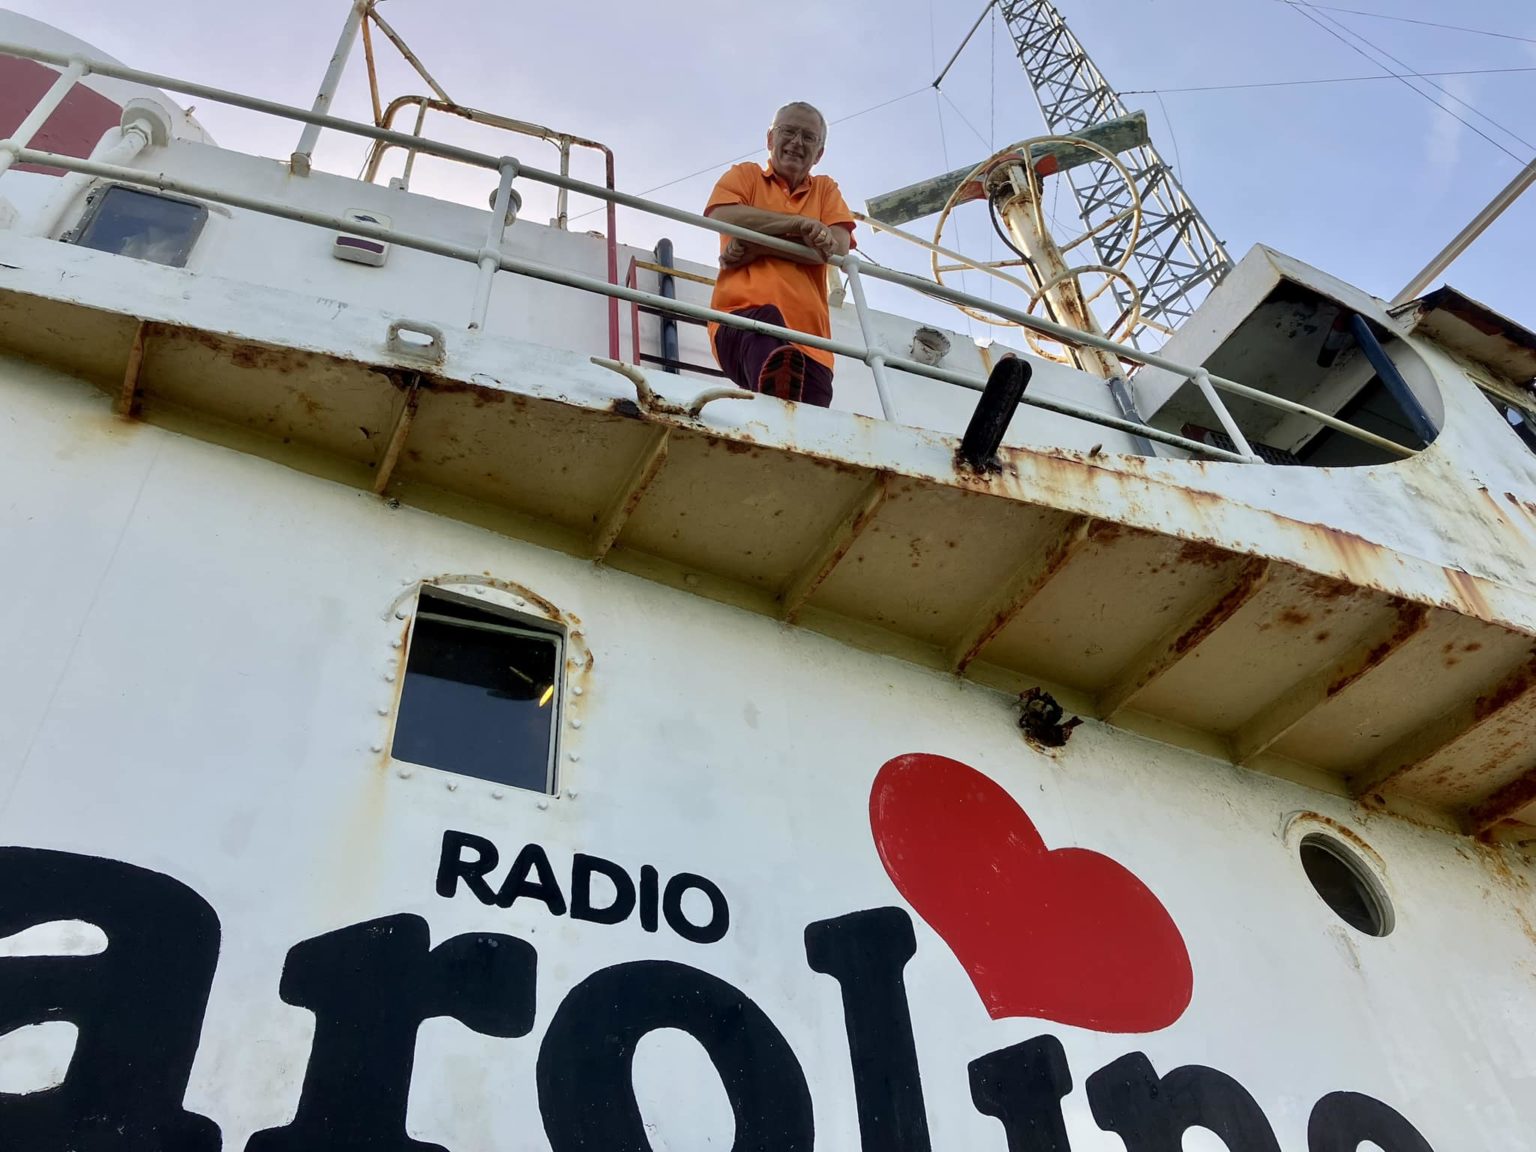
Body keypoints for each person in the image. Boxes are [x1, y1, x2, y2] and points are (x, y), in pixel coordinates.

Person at [704, 102, 855, 407]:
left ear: (820, 153)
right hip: (742, 322)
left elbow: (835, 247)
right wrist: (798, 225)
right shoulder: (746, 175)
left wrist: (758, 245)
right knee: (768, 323)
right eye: (788, 131)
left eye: (808, 137)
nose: (797, 142)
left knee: (806, 439)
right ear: (770, 139)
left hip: (814, 347)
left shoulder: (826, 189)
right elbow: (722, 216)